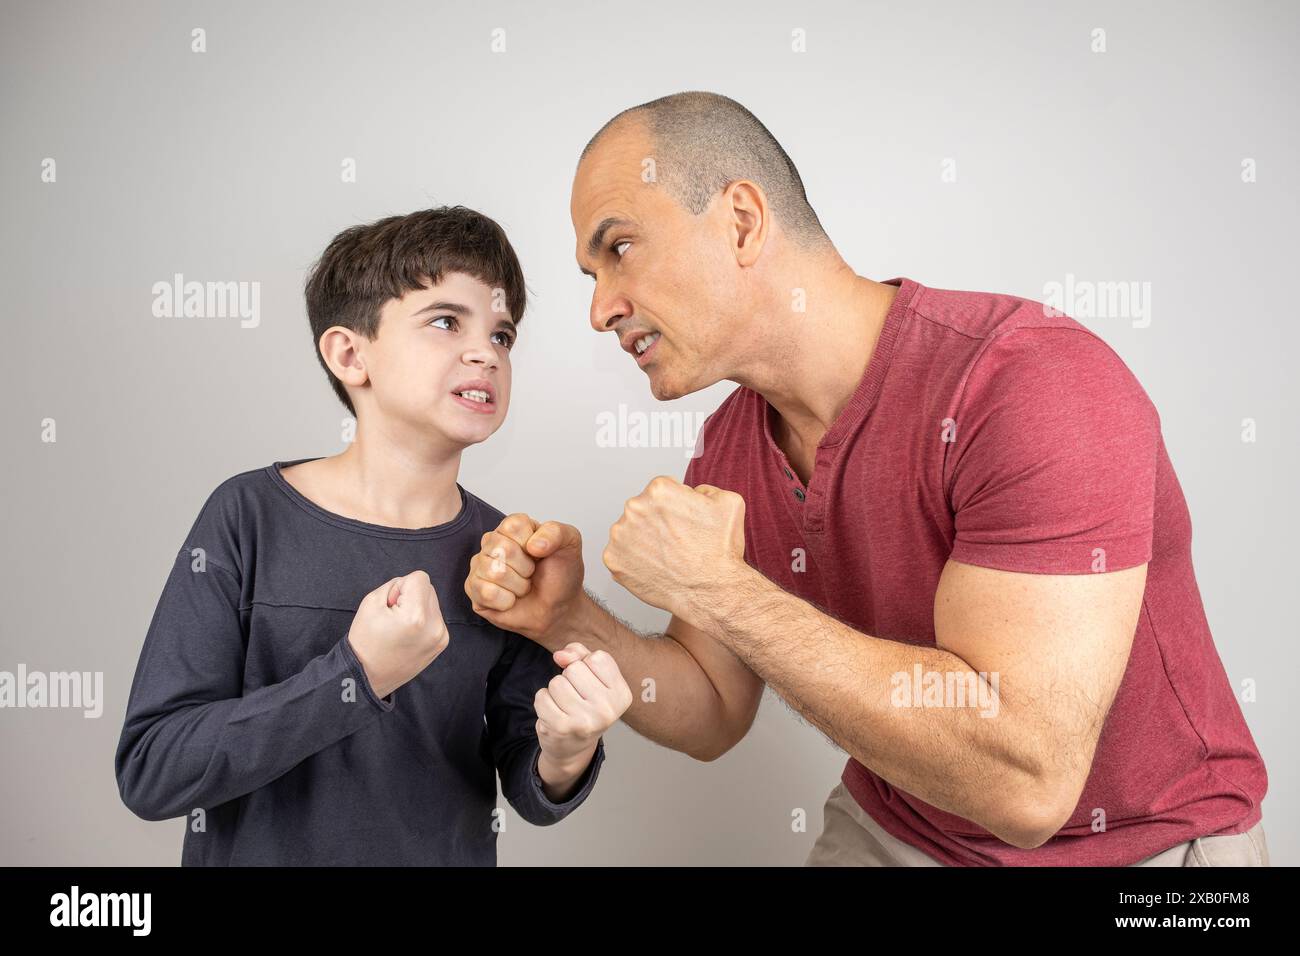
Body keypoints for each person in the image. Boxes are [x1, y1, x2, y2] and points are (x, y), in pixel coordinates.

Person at [463, 92, 1269, 866]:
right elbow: (711, 709)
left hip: (1146, 849)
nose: (601, 309)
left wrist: (722, 590)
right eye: (590, 274)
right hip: (903, 832)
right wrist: (565, 617)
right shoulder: (730, 447)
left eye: (620, 248)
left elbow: (1027, 786)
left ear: (741, 220)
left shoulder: (1032, 383)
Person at [115, 206, 631, 865]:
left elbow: (531, 785)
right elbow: (154, 770)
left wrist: (567, 749)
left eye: (502, 335)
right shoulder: (245, 517)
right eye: (446, 321)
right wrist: (354, 676)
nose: (486, 352)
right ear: (350, 354)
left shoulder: (504, 557)